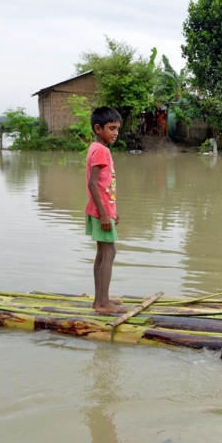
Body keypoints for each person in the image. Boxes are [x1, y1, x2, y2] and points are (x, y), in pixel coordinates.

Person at [85, 106, 127, 315]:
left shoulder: (97, 148)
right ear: (98, 128)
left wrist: (111, 211)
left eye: (117, 128)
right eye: (112, 128)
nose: (116, 133)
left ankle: (100, 299)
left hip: (100, 209)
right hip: (99, 211)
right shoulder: (101, 150)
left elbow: (103, 185)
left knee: (103, 253)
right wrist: (104, 214)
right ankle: (102, 303)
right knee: (110, 252)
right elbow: (93, 184)